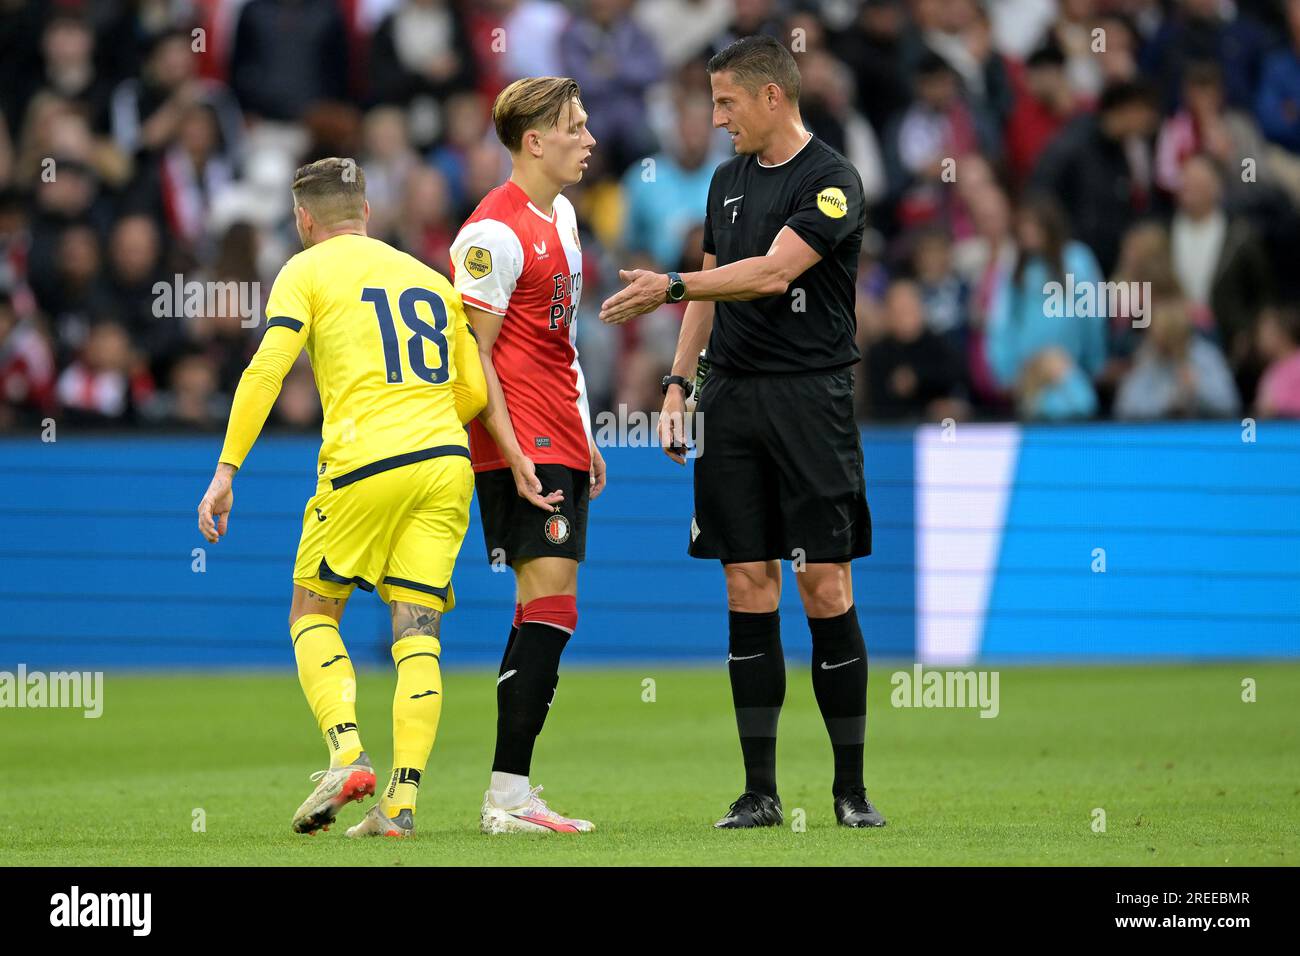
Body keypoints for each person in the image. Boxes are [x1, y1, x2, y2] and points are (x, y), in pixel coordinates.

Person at [600, 36, 885, 830]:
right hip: (731, 403)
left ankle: (850, 790)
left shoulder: (832, 181)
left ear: (771, 98)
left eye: (726, 102)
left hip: (811, 403)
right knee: (745, 583)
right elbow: (710, 295)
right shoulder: (724, 182)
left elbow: (768, 274)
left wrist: (672, 284)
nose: (716, 117)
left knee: (822, 584)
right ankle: (759, 791)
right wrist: (678, 384)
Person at [195, 157, 487, 838]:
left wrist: (226, 468)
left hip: (364, 462)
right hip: (446, 461)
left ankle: (346, 754)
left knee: (312, 611)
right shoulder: (429, 277)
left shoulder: (306, 270)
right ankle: (402, 804)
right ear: (368, 214)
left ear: (304, 220)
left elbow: (269, 365)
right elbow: (472, 391)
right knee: (417, 632)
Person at [448, 76, 604, 835]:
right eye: (576, 126)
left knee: (544, 607)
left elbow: (555, 340)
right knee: (551, 604)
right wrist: (511, 453)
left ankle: (510, 793)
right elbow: (474, 358)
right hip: (520, 441)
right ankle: (508, 797)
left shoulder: (564, 216)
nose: (591, 138)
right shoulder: (490, 234)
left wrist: (586, 428)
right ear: (534, 141)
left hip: (561, 431)